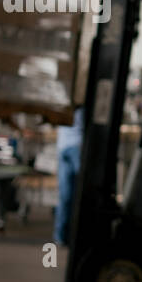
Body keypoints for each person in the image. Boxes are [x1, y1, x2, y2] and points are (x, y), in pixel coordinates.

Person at [53, 106, 85, 247]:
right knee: (69, 195)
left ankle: (67, 235)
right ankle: (63, 235)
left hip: (69, 147)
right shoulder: (67, 106)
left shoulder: (70, 107)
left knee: (70, 195)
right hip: (70, 148)